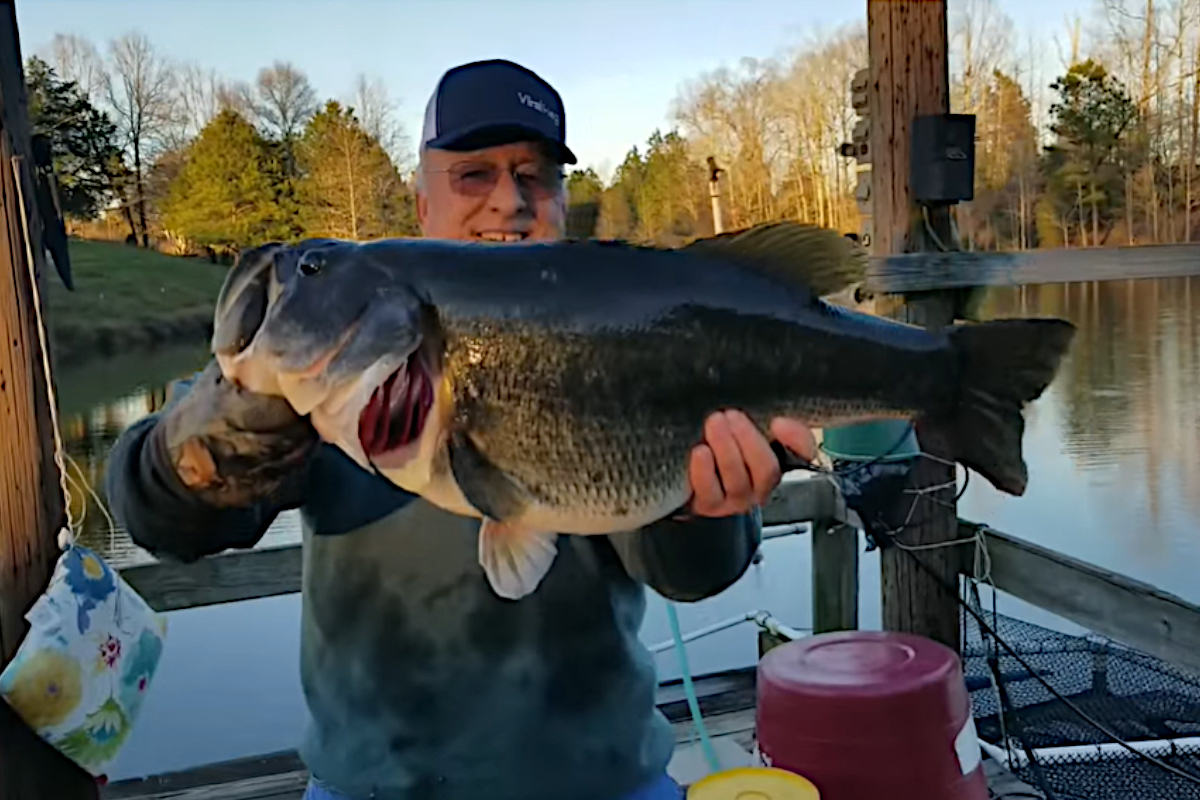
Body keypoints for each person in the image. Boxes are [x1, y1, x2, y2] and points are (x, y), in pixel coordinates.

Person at [103, 58, 817, 800]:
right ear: (421, 204)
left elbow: (691, 576)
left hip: (604, 781)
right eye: (473, 174)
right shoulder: (341, 345)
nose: (509, 200)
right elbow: (158, 521)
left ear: (563, 201)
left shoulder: (631, 328)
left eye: (534, 175)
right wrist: (208, 446)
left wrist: (705, 510)